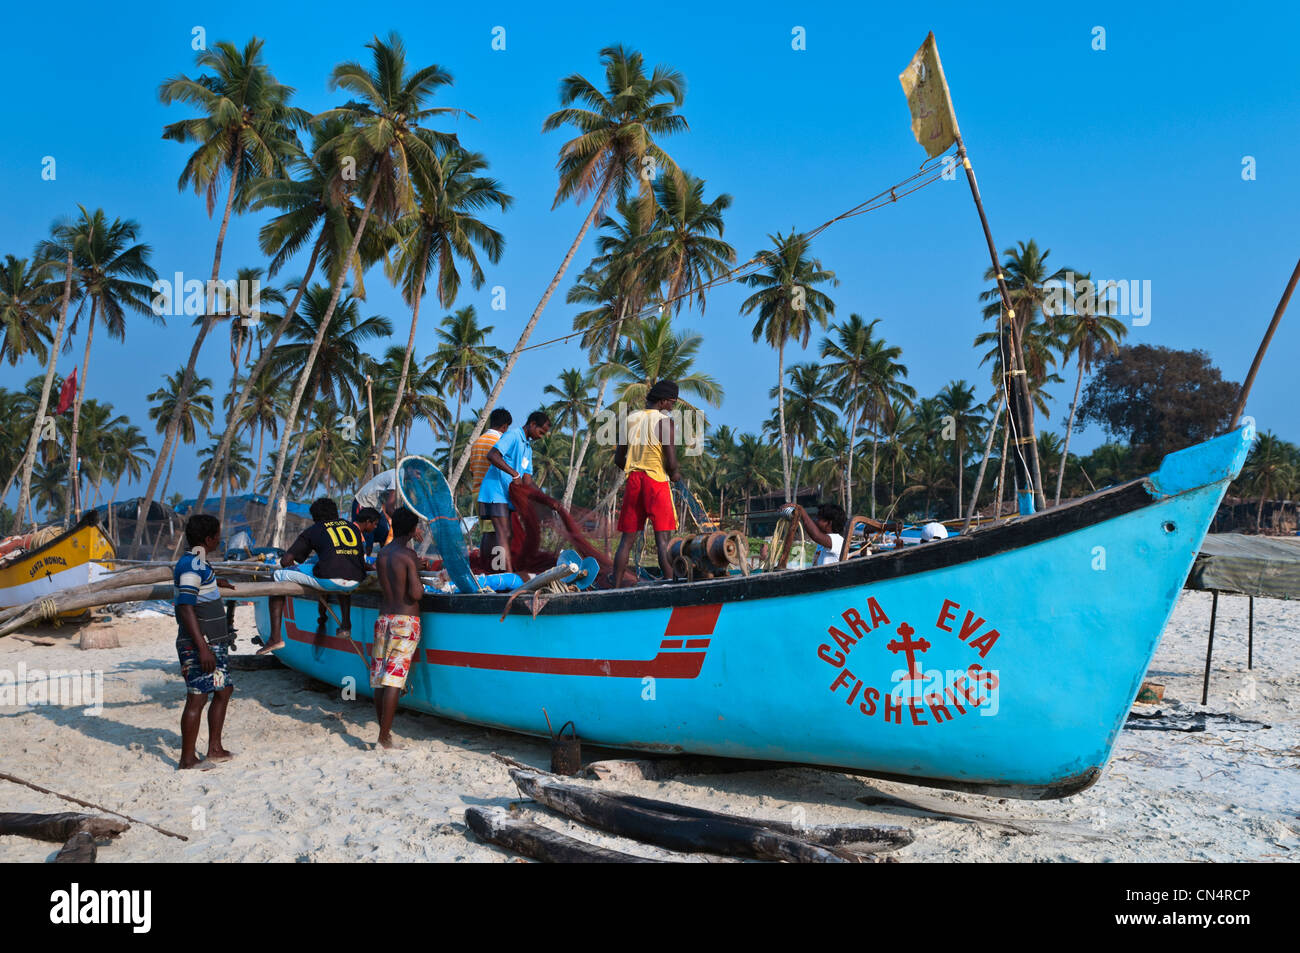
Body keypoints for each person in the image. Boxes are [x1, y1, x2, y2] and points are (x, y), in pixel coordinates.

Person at [261, 497, 368, 653]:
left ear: (315, 518)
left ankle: (275, 638)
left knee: (277, 576)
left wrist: (296, 572)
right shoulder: (352, 527)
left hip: (330, 579)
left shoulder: (315, 529)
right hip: (356, 579)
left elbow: (286, 561)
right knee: (342, 569)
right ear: (336, 513)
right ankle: (345, 625)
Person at [174, 514, 238, 770]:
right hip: (200, 642)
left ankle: (214, 748)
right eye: (218, 535)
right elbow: (186, 607)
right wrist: (202, 647)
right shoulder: (190, 566)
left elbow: (200, 586)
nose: (220, 539)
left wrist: (215, 581)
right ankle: (187, 759)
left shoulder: (199, 562)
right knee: (198, 697)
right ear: (210, 538)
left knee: (223, 690)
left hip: (213, 641)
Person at [611, 380, 682, 588]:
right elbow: (670, 461)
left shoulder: (630, 419)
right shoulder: (664, 421)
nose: (672, 407)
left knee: (627, 540)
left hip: (634, 480)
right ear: (662, 401)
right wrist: (675, 474)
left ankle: (614, 589)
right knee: (663, 540)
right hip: (656, 482)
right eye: (671, 402)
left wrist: (636, 467)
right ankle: (670, 586)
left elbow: (618, 459)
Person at [371, 507, 425, 750]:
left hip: (384, 619)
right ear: (414, 530)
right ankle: (384, 737)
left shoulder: (383, 553)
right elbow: (415, 593)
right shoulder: (408, 555)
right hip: (405, 621)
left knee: (381, 679)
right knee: (394, 681)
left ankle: (383, 730)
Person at [477, 410, 551, 573]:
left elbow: (527, 480)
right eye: (540, 432)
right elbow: (493, 455)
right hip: (494, 493)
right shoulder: (513, 436)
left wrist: (546, 500)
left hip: (507, 497)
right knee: (503, 533)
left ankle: (496, 569)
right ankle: (506, 572)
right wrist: (513, 473)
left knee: (505, 535)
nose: (541, 436)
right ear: (532, 424)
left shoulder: (528, 449)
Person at [783, 502, 848, 566]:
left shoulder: (838, 540)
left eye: (819, 519)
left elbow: (816, 535)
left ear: (828, 523)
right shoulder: (822, 544)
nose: (815, 521)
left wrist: (802, 511)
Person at [352, 469, 398, 553]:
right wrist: (406, 524)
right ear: (409, 469)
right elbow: (389, 508)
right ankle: (364, 562)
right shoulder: (396, 477)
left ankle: (384, 562)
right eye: (417, 473)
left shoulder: (405, 482)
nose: (418, 477)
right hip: (364, 503)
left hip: (377, 507)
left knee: (384, 535)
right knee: (366, 541)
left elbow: (385, 504)